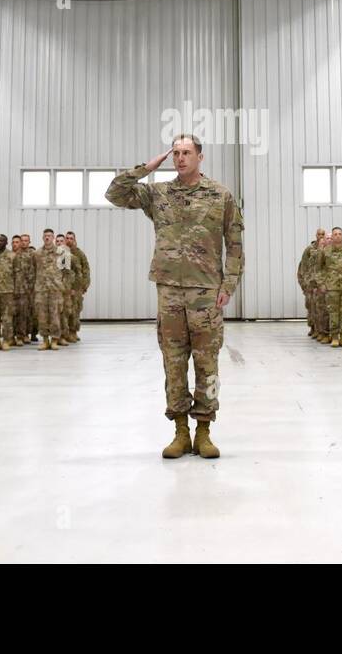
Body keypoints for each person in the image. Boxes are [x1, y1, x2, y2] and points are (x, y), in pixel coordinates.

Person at [107, 135, 243, 460]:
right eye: (176, 153)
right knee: (173, 361)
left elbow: (235, 243)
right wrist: (146, 167)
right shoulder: (158, 194)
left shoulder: (220, 195)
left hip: (206, 292)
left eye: (187, 153)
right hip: (169, 291)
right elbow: (114, 193)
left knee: (208, 364)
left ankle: (205, 432)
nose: (180, 158)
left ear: (200, 156)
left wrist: (229, 285)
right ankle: (180, 431)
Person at [319, 227, 342, 348]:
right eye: (335, 234)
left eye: (340, 234)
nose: (338, 236)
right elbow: (319, 269)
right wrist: (322, 283)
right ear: (332, 236)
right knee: (333, 312)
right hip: (332, 286)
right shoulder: (325, 251)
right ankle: (334, 337)